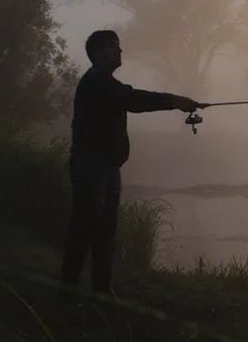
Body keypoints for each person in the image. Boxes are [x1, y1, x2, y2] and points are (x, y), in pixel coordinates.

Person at [60, 29, 199, 295]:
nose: (120, 51)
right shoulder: (98, 83)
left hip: (108, 168)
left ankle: (101, 291)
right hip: (92, 168)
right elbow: (134, 99)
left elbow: (129, 98)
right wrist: (175, 101)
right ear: (98, 53)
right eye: (113, 47)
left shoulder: (103, 82)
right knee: (84, 229)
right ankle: (68, 291)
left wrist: (176, 102)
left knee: (105, 232)